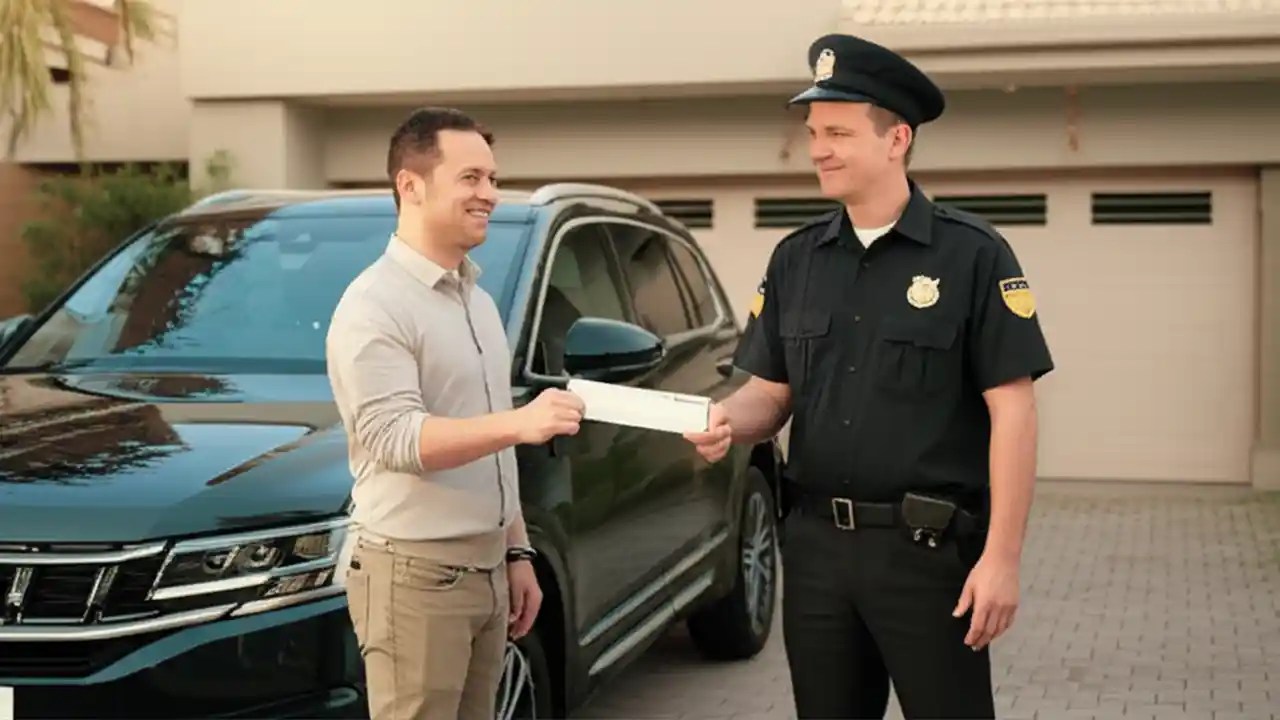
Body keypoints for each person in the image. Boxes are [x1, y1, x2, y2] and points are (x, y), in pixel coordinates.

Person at [685, 34, 1054, 720]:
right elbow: (770, 392)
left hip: (928, 556)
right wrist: (728, 421)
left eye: (837, 132)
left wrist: (1001, 558)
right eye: (813, 132)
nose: (818, 147)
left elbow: (1014, 412)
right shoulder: (796, 259)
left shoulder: (971, 255)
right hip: (818, 555)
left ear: (897, 139)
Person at [325, 107, 586, 720]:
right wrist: (522, 422)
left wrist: (517, 552)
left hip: (489, 568)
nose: (490, 194)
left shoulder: (478, 301)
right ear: (409, 186)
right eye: (471, 178)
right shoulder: (373, 306)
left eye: (492, 179)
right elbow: (394, 437)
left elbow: (489, 444)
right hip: (415, 579)